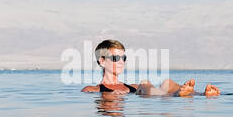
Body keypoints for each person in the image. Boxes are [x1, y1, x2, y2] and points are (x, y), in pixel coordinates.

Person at [79, 39, 220, 96]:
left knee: (167, 82)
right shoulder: (92, 90)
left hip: (155, 98)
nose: (121, 62)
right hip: (152, 102)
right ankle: (177, 95)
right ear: (102, 61)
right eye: (116, 58)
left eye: (124, 58)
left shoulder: (132, 87)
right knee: (145, 83)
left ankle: (201, 95)